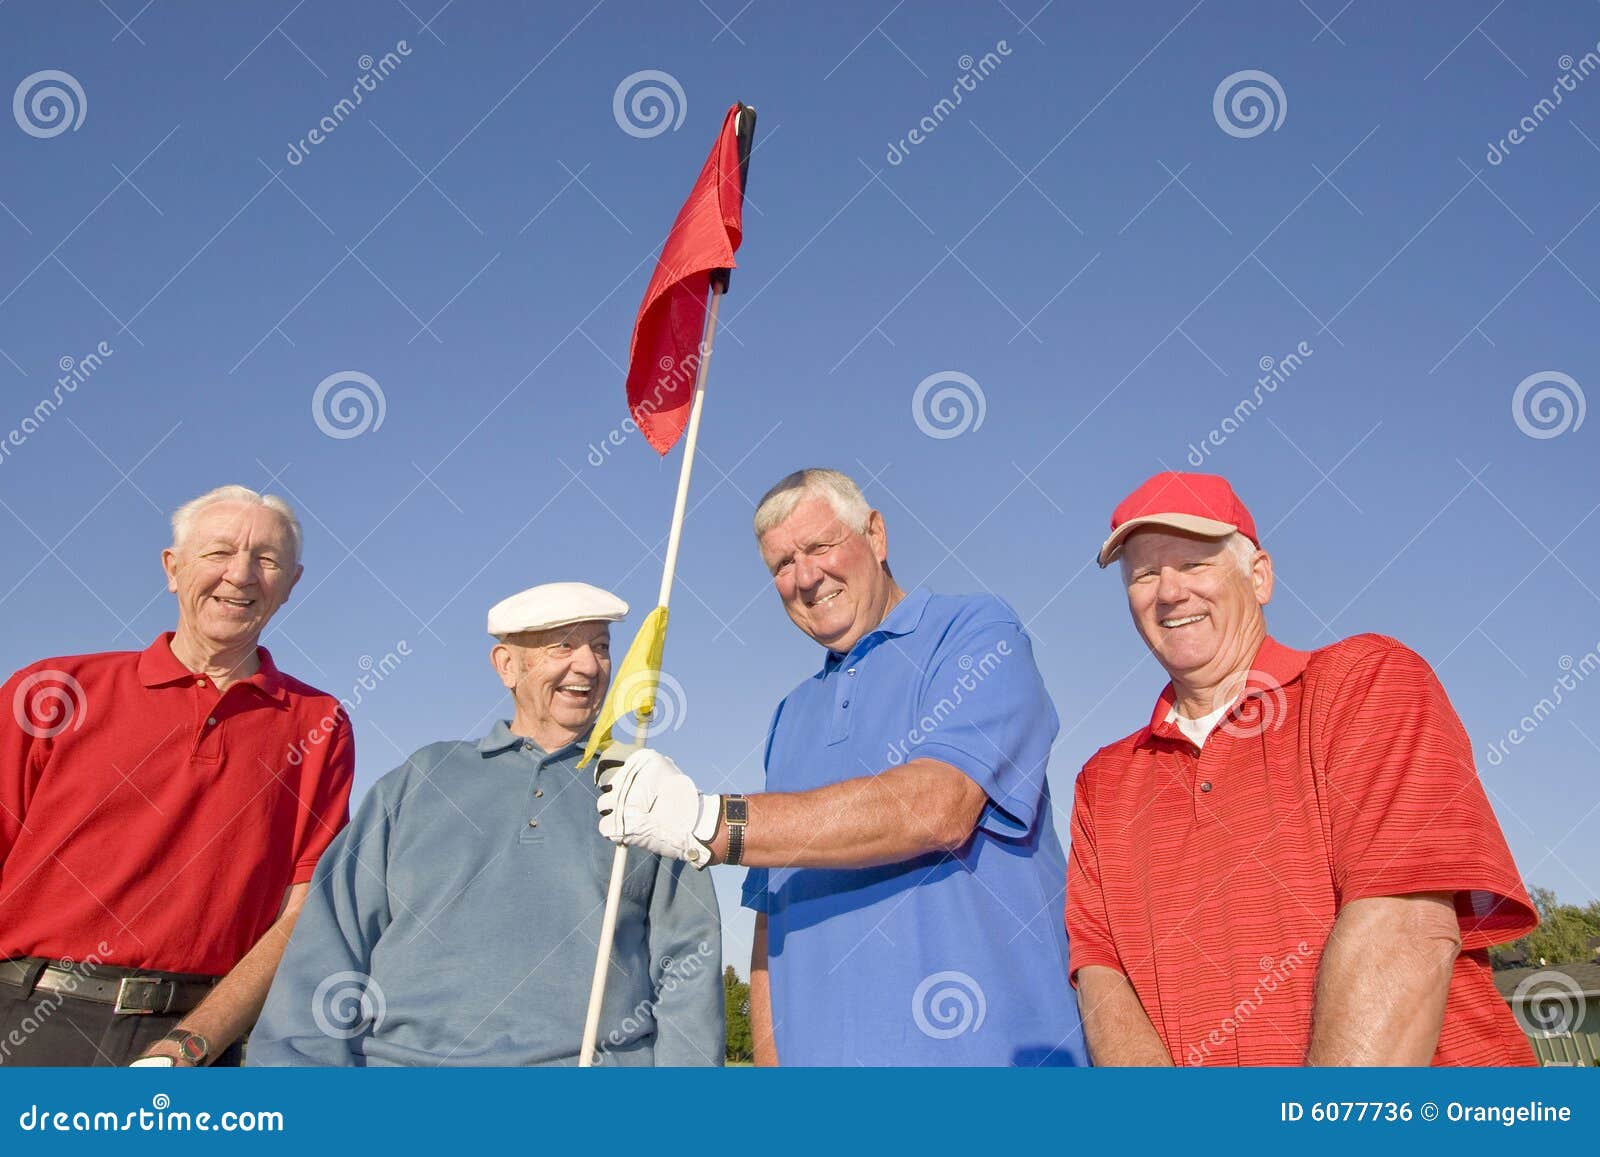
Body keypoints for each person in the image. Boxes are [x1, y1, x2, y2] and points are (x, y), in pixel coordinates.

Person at [597, 469, 1086, 1066]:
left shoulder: (975, 632)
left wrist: (710, 821)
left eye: (820, 546)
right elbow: (771, 917)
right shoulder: (789, 716)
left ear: (876, 535)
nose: (805, 578)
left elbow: (939, 806)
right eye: (782, 564)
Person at [1067, 470, 1538, 1066]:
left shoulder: (1367, 683)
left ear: (1259, 576)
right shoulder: (1102, 782)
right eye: (1144, 574)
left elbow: (1404, 928)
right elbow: (1103, 978)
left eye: (1194, 564)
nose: (1169, 591)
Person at [247, 582, 723, 1066]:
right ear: (507, 665)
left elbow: (688, 959)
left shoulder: (647, 788)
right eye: (563, 646)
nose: (588, 665)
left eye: (600, 647)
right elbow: (326, 945)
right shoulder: (420, 779)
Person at [0, 484, 354, 1067]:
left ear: (291, 584)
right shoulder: (53, 690)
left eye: (267, 560)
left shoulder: (320, 723)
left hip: (194, 1043)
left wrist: (192, 1043)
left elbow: (303, 910)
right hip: (25, 1020)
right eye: (219, 552)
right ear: (172, 568)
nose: (240, 574)